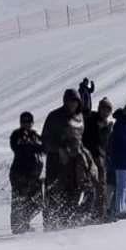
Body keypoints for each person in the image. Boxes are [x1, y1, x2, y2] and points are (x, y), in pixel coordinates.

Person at [41, 89, 85, 230]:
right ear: (65, 101)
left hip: (74, 165)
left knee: (73, 195)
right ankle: (50, 225)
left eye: (75, 101)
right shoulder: (54, 116)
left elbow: (80, 139)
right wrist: (59, 149)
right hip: (56, 164)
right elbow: (45, 140)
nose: (73, 104)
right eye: (70, 101)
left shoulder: (80, 117)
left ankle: (68, 225)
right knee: (53, 196)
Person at [10, 112, 45, 234]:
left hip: (34, 175)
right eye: (24, 122)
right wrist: (32, 145)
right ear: (21, 123)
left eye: (29, 121)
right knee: (19, 201)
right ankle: (17, 227)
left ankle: (24, 221)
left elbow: (43, 147)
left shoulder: (34, 135)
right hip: (19, 174)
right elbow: (18, 148)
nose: (27, 124)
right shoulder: (17, 135)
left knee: (38, 203)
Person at [84, 97, 114, 220]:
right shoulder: (91, 119)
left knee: (101, 187)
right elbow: (89, 138)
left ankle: (99, 214)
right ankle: (87, 212)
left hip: (101, 157)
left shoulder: (107, 124)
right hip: (89, 156)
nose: (105, 112)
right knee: (91, 186)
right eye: (103, 108)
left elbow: (105, 143)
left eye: (108, 110)